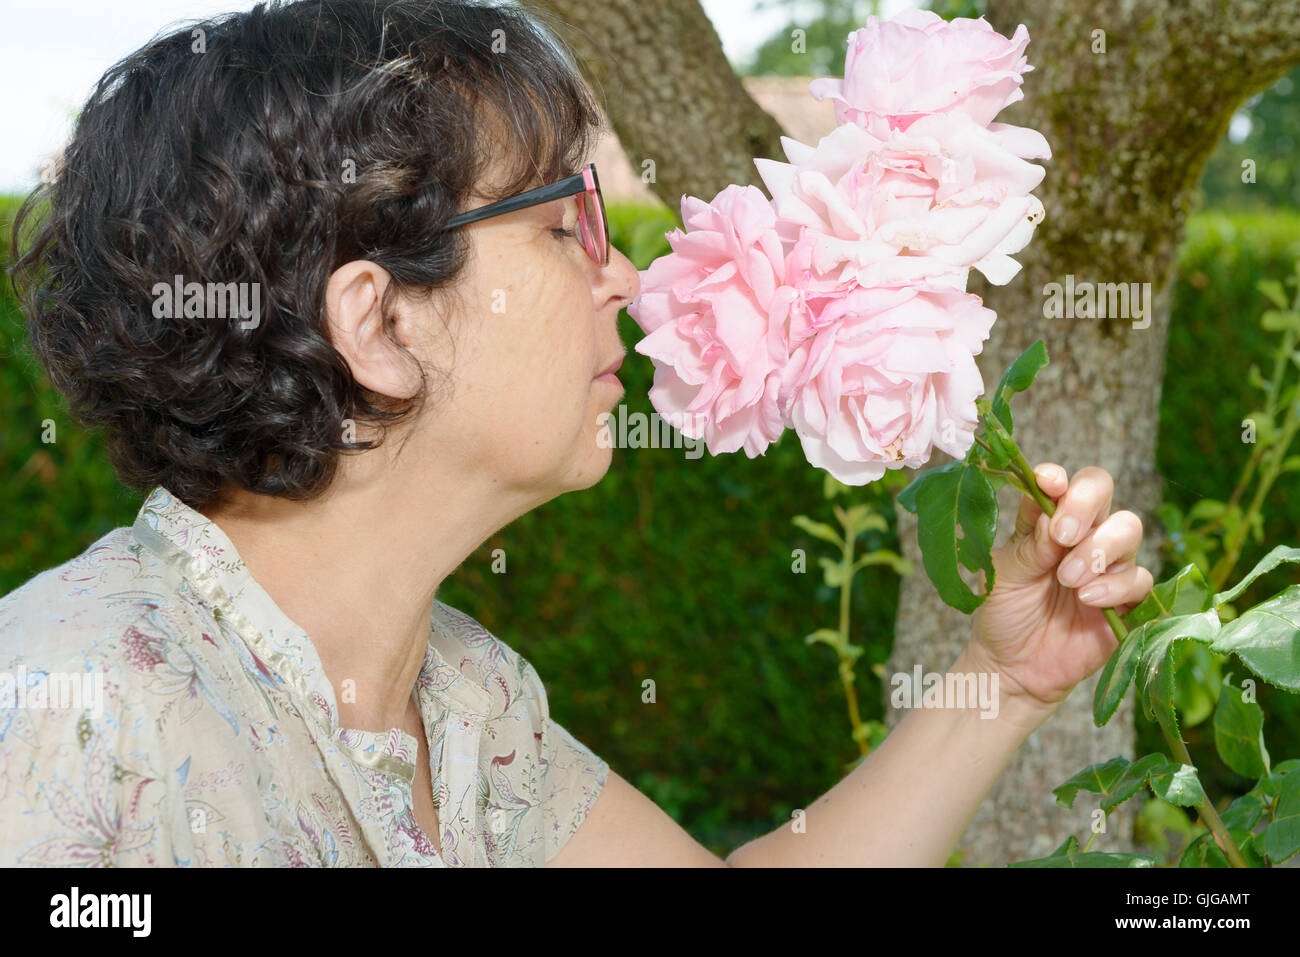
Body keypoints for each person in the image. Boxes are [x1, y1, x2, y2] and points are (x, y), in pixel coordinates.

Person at [1, 0, 1154, 867]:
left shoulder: (468, 702)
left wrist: (1005, 681)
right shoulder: (66, 723)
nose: (627, 276)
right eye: (564, 224)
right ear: (379, 320)